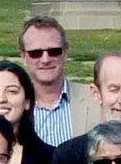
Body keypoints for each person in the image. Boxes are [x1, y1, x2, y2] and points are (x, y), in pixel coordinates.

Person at [18, 16, 80, 146]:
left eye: (54, 51)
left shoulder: (95, 101)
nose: (45, 59)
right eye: (36, 53)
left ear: (65, 52)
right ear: (23, 56)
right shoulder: (13, 105)